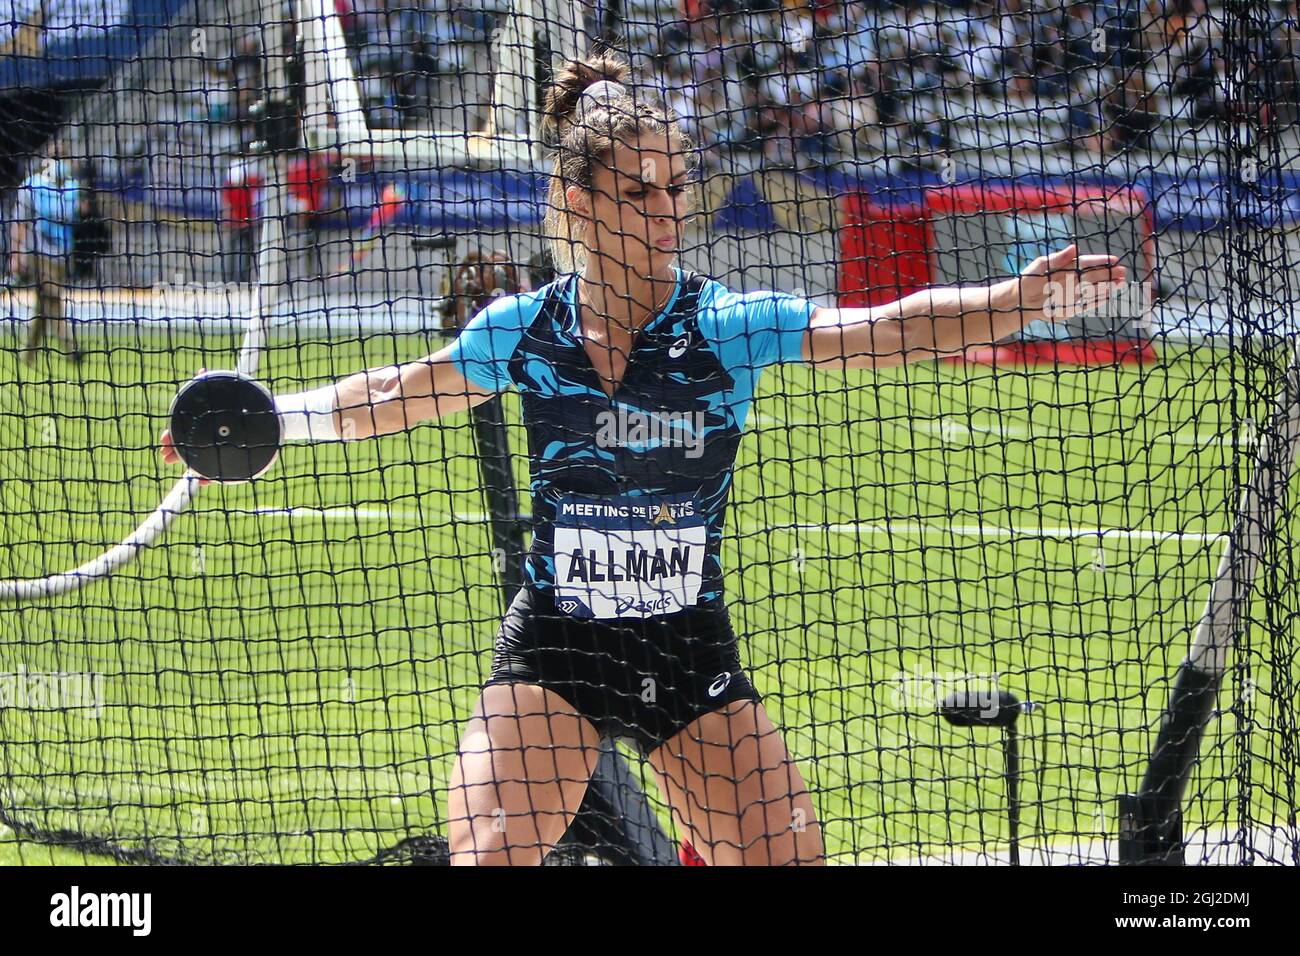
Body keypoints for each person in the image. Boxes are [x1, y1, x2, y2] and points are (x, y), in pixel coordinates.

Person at [160, 53, 1126, 865]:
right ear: (575, 200)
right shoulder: (525, 332)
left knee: (785, 853)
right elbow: (393, 397)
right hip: (558, 646)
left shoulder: (721, 327)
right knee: (492, 853)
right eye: (638, 190)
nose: (667, 210)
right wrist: (263, 423)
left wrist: (1018, 300)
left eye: (675, 186)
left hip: (685, 646)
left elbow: (882, 329)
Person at [11, 147, 82, 363]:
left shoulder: (71, 188)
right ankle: (71, 349)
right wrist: (16, 254)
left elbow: (77, 215)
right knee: (52, 298)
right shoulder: (31, 186)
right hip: (38, 252)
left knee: (43, 302)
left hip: (61, 254)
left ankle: (27, 353)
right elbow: (19, 223)